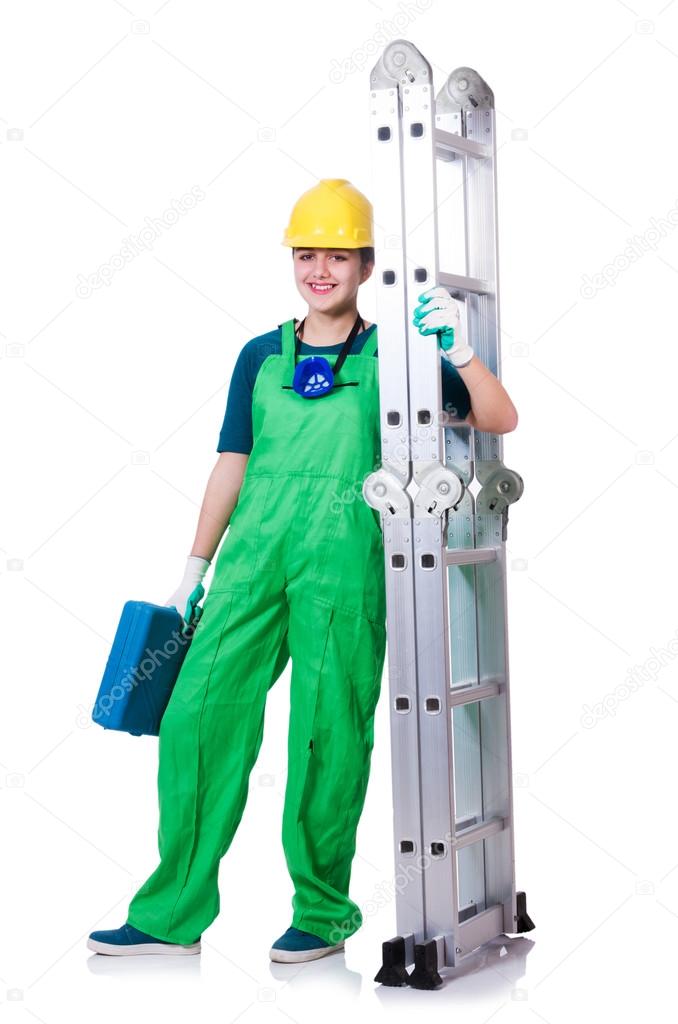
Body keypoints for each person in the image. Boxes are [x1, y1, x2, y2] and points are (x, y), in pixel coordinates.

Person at [87, 179, 518, 963]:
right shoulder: (260, 354)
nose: (320, 270)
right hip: (249, 565)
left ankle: (321, 915)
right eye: (307, 254)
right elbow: (232, 461)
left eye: (338, 257)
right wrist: (193, 569)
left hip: (344, 568)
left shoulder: (396, 357)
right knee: (196, 719)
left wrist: (457, 351)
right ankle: (170, 914)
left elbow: (499, 417)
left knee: (328, 736)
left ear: (366, 266)